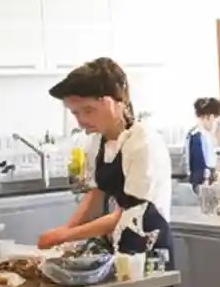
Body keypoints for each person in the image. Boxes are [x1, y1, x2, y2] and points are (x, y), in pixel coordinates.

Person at [38, 58, 174, 261]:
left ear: (116, 101)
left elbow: (132, 212)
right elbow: (97, 194)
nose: (81, 120)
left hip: (150, 249)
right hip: (119, 246)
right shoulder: (97, 142)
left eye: (88, 110)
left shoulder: (142, 141)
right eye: (75, 113)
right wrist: (64, 232)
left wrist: (65, 235)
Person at [184, 97, 220, 191]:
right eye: (217, 122)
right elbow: (199, 170)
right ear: (209, 117)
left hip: (204, 184)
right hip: (202, 187)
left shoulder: (205, 135)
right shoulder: (197, 136)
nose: (217, 126)